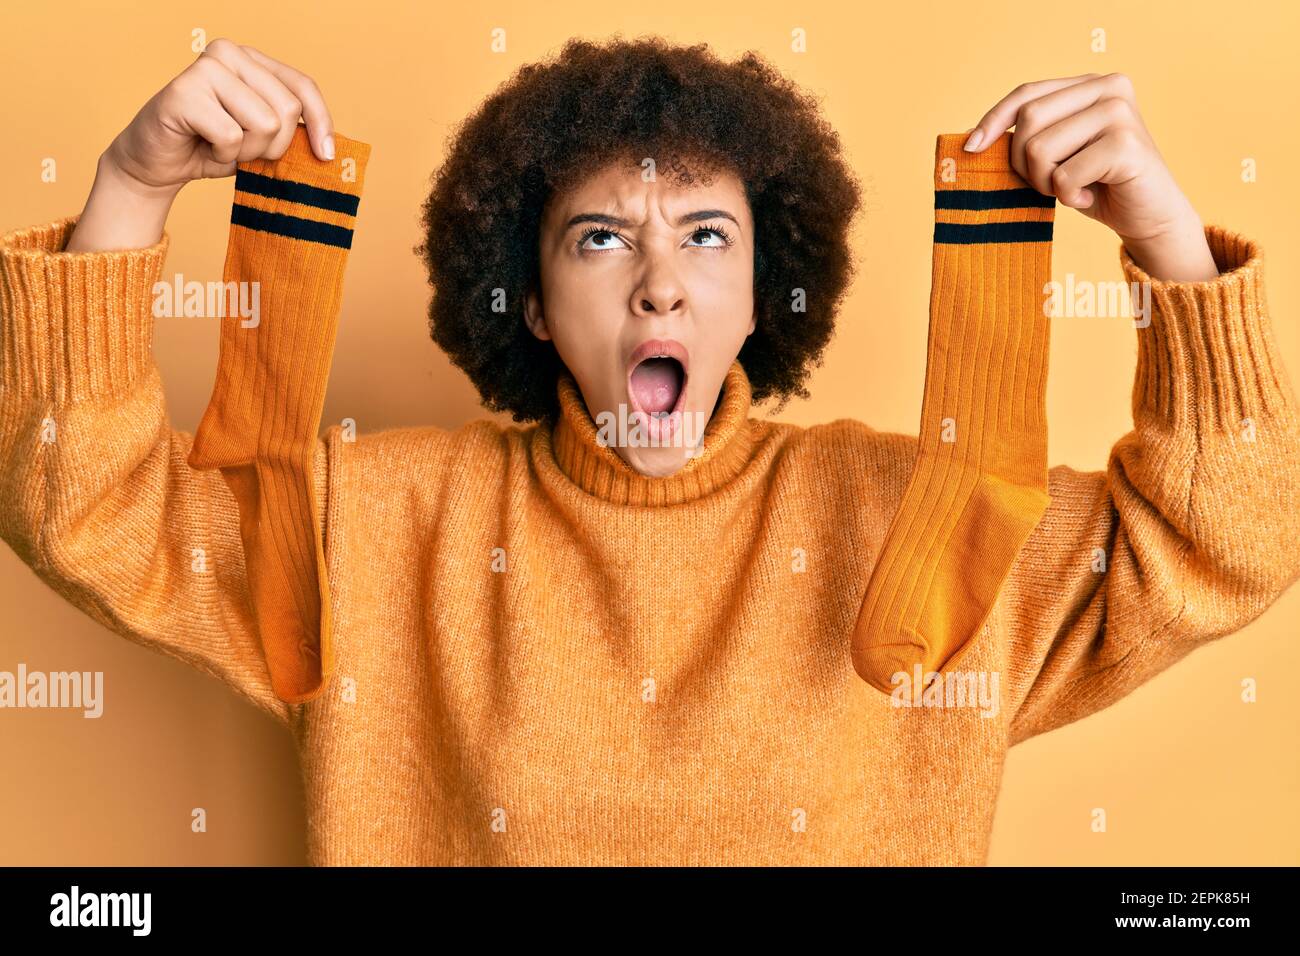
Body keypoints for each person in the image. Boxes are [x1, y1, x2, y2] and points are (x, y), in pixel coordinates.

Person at [1, 36, 1296, 865]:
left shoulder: (920, 521)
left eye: (710, 240)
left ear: (761, 297)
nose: (661, 285)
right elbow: (86, 509)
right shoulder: (376, 526)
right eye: (602, 239)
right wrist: (131, 184)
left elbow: (1232, 538)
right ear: (528, 300)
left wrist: (1163, 245)